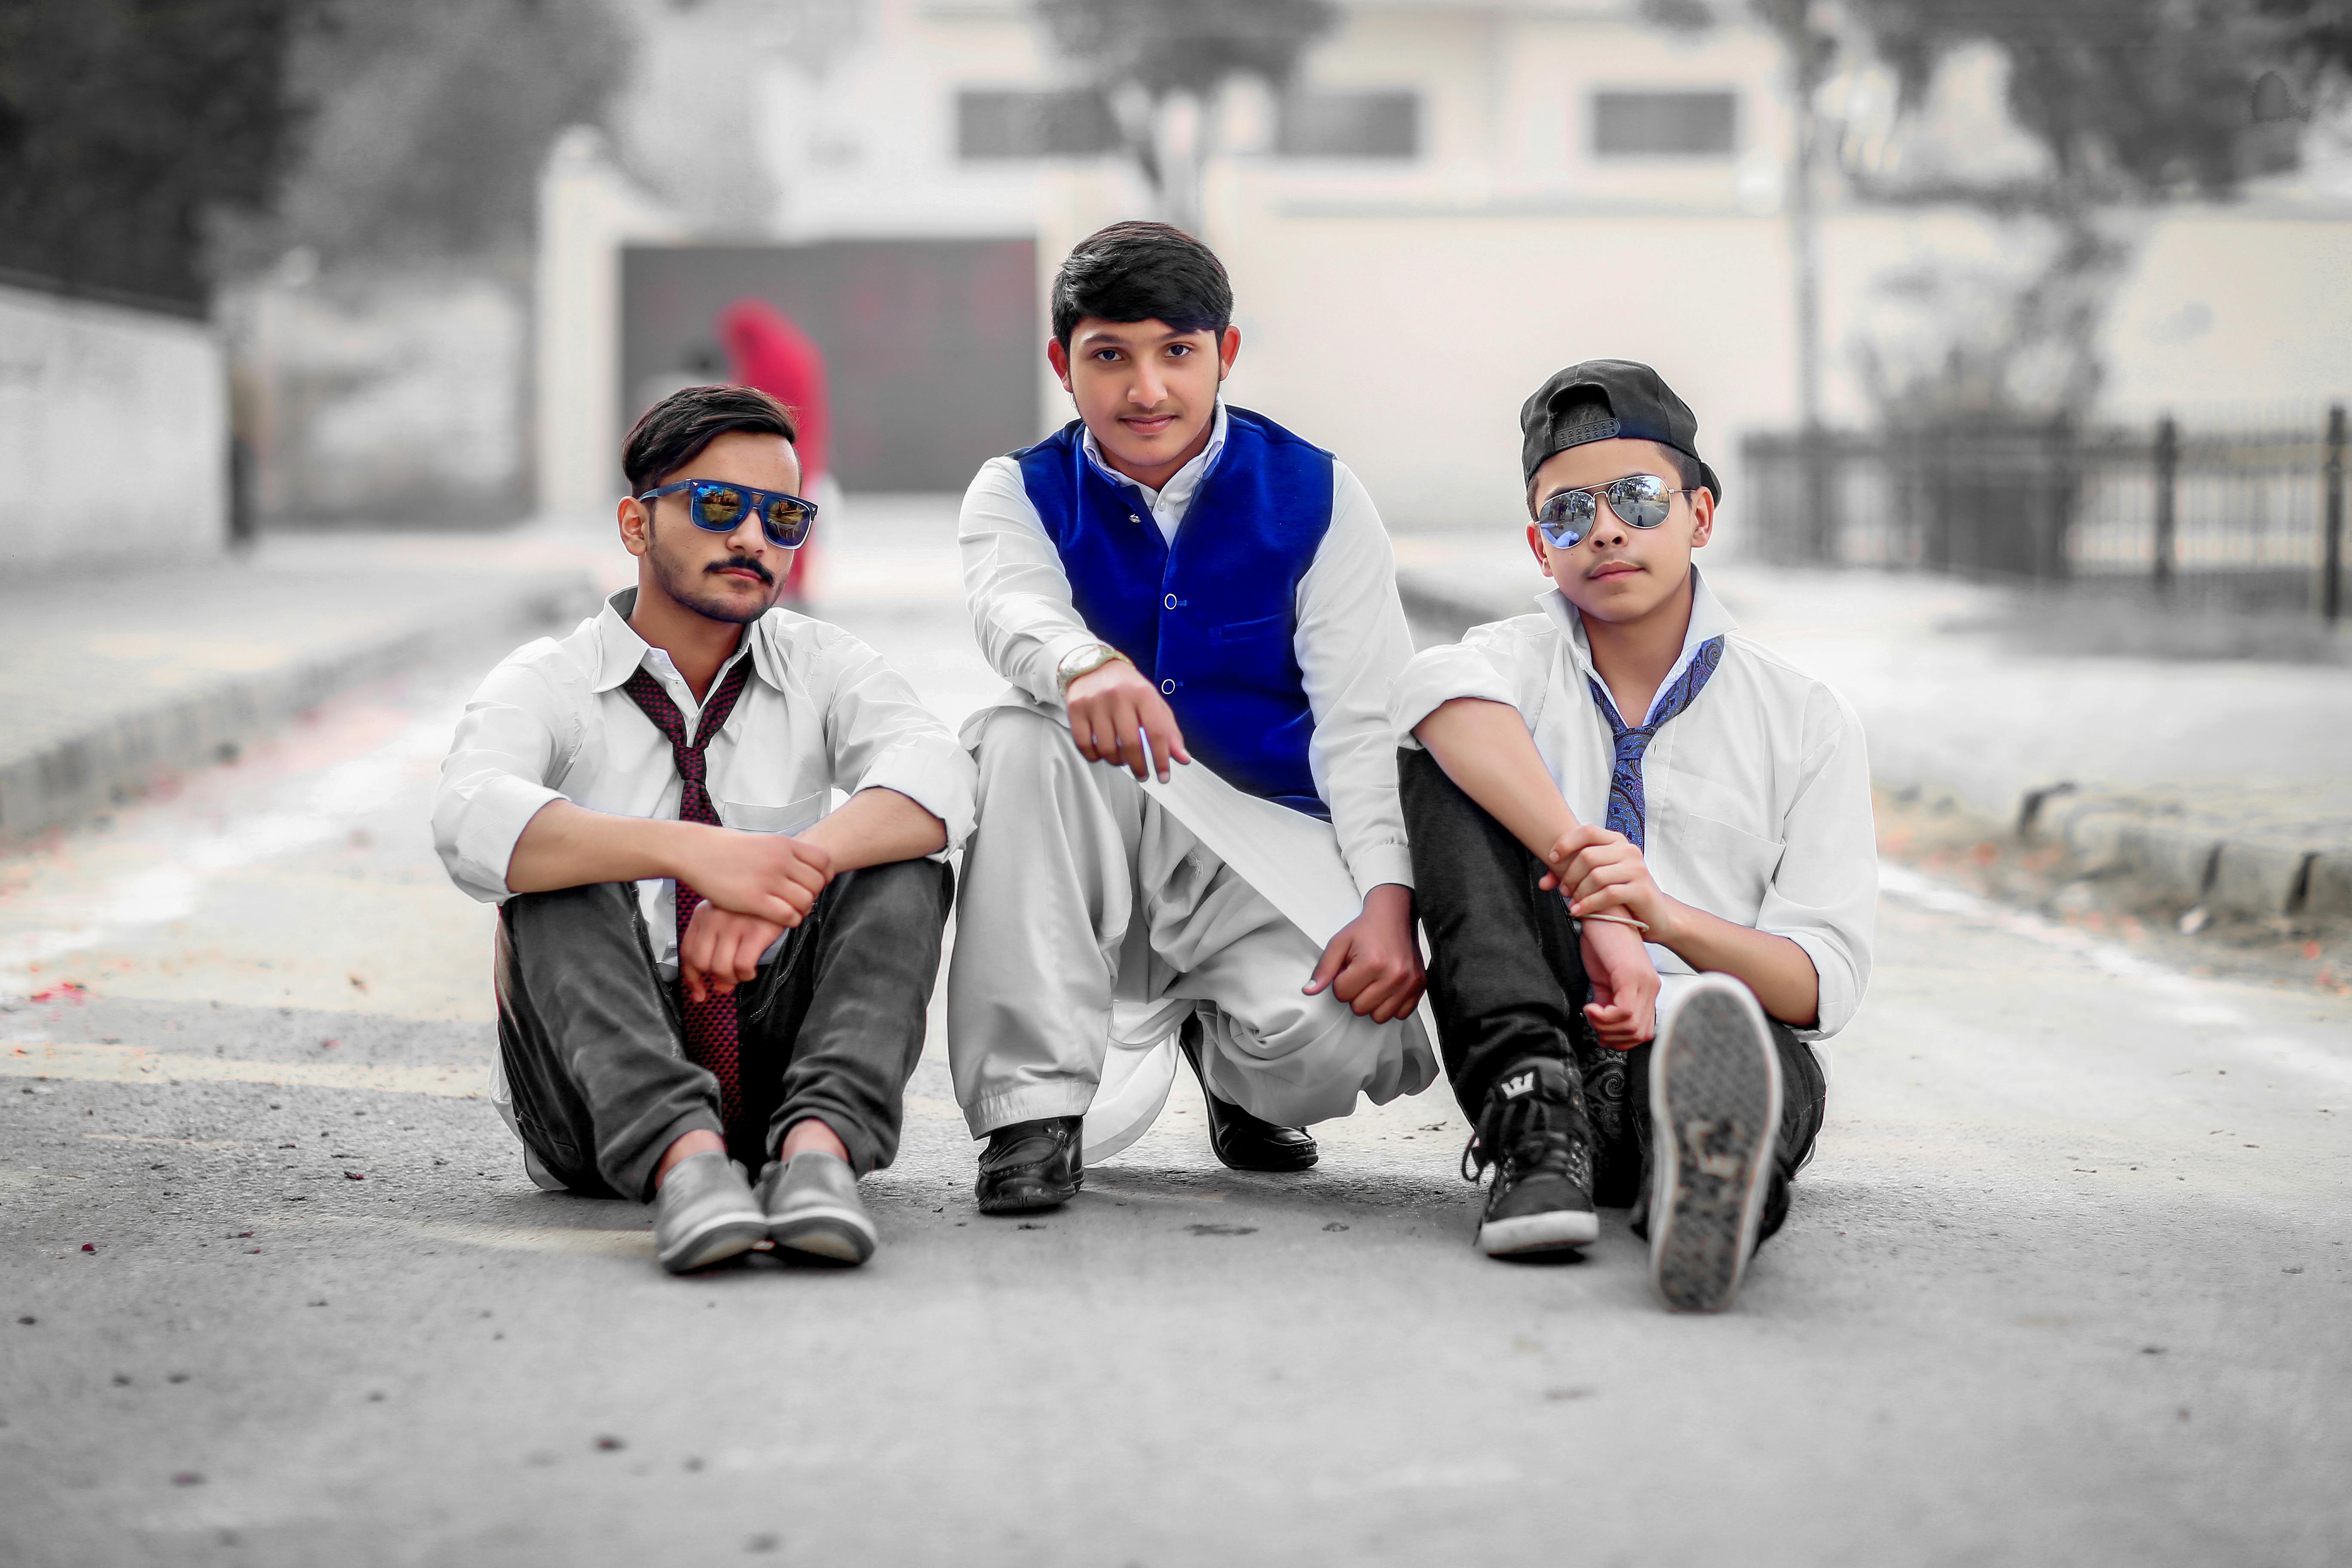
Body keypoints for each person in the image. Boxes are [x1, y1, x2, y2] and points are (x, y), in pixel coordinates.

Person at [948, 220, 1438, 1214]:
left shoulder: (1318, 494)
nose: (1147, 390)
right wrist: (1083, 663)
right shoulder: (1017, 490)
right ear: (1063, 365)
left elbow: (1363, 722)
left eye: (1177, 352)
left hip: (1259, 848)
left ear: (1226, 354)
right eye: (1110, 357)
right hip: (1094, 825)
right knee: (1012, 736)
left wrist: (1389, 900)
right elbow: (1011, 609)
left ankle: (1230, 1060)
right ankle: (1030, 1112)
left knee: (1348, 1038)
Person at [431, 385, 974, 1274]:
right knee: (555, 868)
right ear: (636, 525)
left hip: (782, 1074)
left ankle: (820, 1159)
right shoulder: (551, 680)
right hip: (593, 1105)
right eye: (719, 505)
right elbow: (467, 818)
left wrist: (786, 877)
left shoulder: (823, 665)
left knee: (902, 859)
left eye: (783, 518)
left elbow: (942, 774)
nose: (754, 538)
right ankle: (686, 1166)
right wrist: (693, 853)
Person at [1390, 360, 1876, 1312]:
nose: (1607, 530)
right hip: (1545, 1049)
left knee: (1744, 1055)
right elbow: (1430, 691)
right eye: (1569, 514)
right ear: (1542, 549)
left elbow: (1821, 984)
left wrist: (1662, 919)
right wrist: (1600, 902)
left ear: (1701, 515)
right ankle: (1534, 1127)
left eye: (1639, 499)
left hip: (1717, 1043)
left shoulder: (1804, 719)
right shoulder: (1507, 668)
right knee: (1443, 756)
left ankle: (1706, 1183)